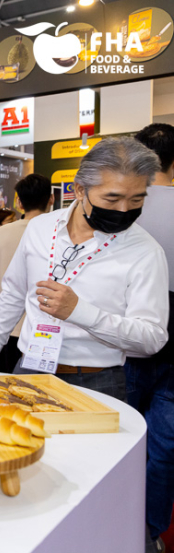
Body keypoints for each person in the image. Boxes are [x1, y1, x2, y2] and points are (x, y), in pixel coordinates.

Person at [0, 137, 169, 401]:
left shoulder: (145, 251)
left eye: (136, 200)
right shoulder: (40, 228)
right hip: (29, 368)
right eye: (112, 199)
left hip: (97, 381)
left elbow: (152, 338)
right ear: (80, 190)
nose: (124, 210)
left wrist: (81, 312)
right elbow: (13, 294)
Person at [129, 123, 174, 553]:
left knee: (119, 438)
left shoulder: (124, 210)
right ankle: (152, 534)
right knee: (164, 449)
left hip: (125, 343)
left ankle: (115, 523)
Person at [0, 174, 53, 373]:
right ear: (51, 199)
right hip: (42, 334)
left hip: (4, 327)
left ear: (19, 202)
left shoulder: (1, 233)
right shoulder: (57, 234)